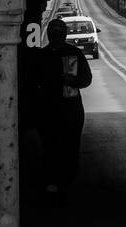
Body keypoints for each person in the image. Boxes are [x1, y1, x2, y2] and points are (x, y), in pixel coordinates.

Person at [28, 18, 93, 203]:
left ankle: (60, 181)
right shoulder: (67, 54)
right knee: (59, 147)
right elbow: (86, 79)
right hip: (58, 110)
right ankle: (60, 181)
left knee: (60, 147)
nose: (56, 36)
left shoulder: (44, 56)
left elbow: (85, 79)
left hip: (63, 111)